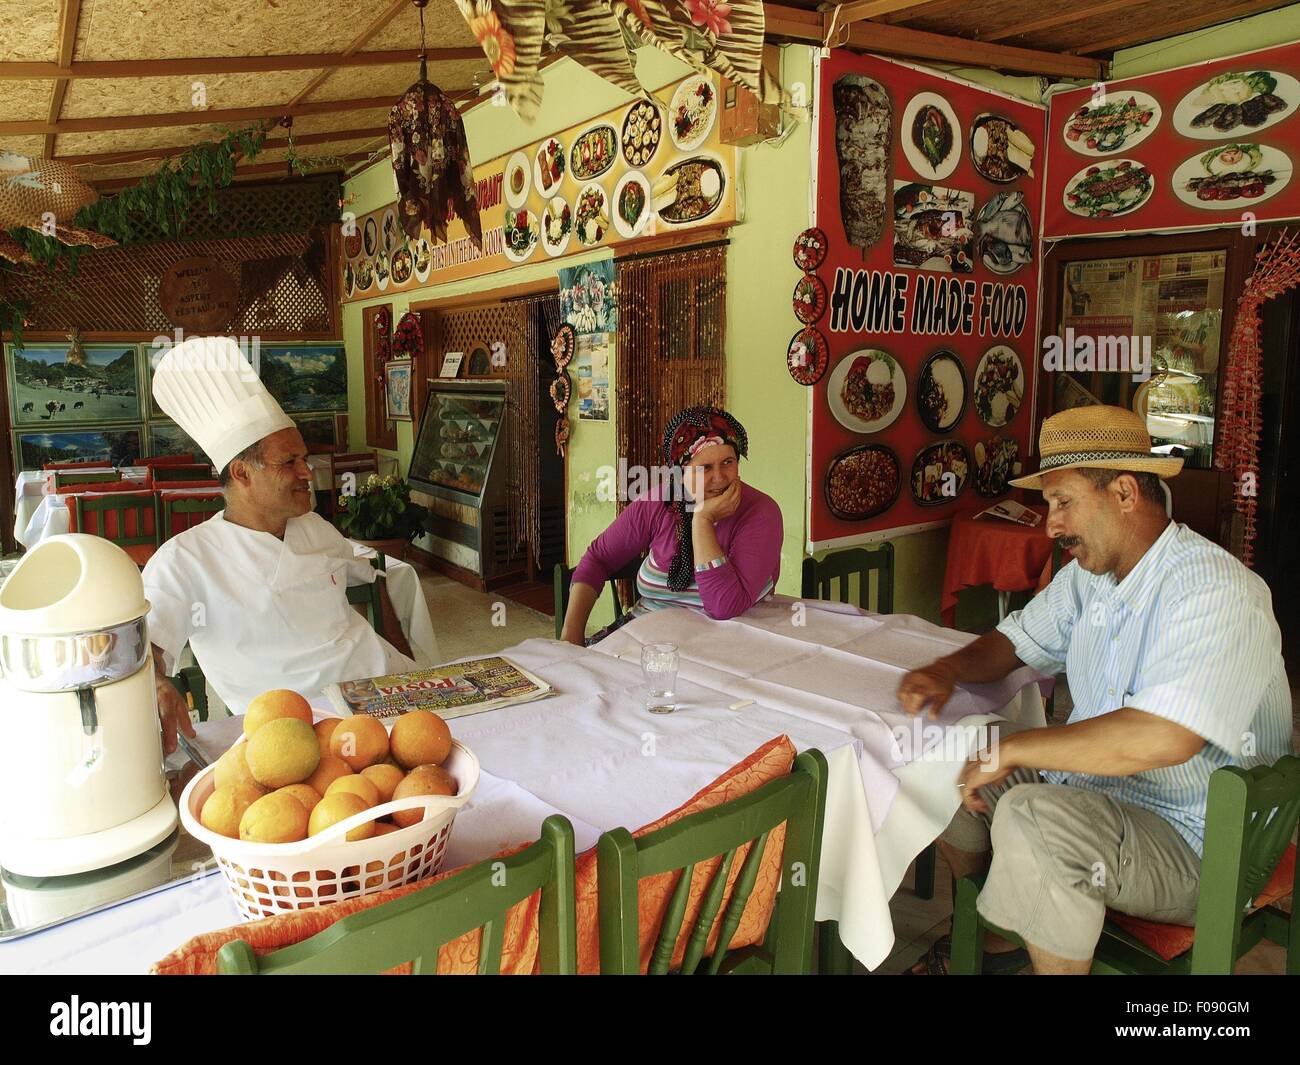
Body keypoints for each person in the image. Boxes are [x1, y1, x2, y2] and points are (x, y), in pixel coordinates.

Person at [897, 404, 1292, 975]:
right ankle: (1001, 942)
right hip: (1102, 797)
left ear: (1125, 493)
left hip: (1207, 845)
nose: (1051, 525)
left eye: (1063, 502)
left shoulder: (1216, 592)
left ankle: (1036, 936)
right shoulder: (1090, 577)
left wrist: (1015, 750)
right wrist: (949, 670)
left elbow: (1163, 737)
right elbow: (1013, 642)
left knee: (1033, 818)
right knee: (947, 748)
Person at [143, 336, 417, 749]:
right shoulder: (185, 560)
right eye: (289, 462)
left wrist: (407, 665)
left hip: (389, 692)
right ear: (241, 473)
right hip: (295, 726)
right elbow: (147, 644)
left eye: (304, 459)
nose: (308, 473)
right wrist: (155, 679)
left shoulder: (315, 528)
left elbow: (371, 579)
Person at [560, 406, 782, 645]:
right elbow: (598, 559)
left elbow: (724, 607)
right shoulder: (658, 503)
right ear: (679, 472)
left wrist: (702, 521)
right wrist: (570, 639)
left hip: (725, 649)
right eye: (704, 468)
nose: (719, 478)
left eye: (728, 462)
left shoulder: (760, 513)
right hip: (644, 643)